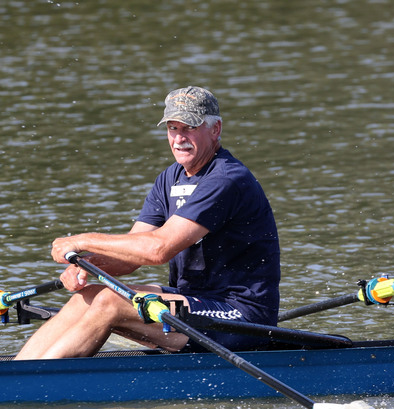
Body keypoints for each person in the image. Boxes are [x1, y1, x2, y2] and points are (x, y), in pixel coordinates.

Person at [16, 86, 280, 359]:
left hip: (241, 315)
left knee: (110, 302)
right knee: (90, 295)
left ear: (215, 130)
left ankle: (34, 384)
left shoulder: (225, 178)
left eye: (189, 128)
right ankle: (18, 371)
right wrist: (87, 266)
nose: (179, 139)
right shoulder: (169, 178)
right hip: (194, 300)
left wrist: (80, 240)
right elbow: (130, 259)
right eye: (173, 129)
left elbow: (157, 250)